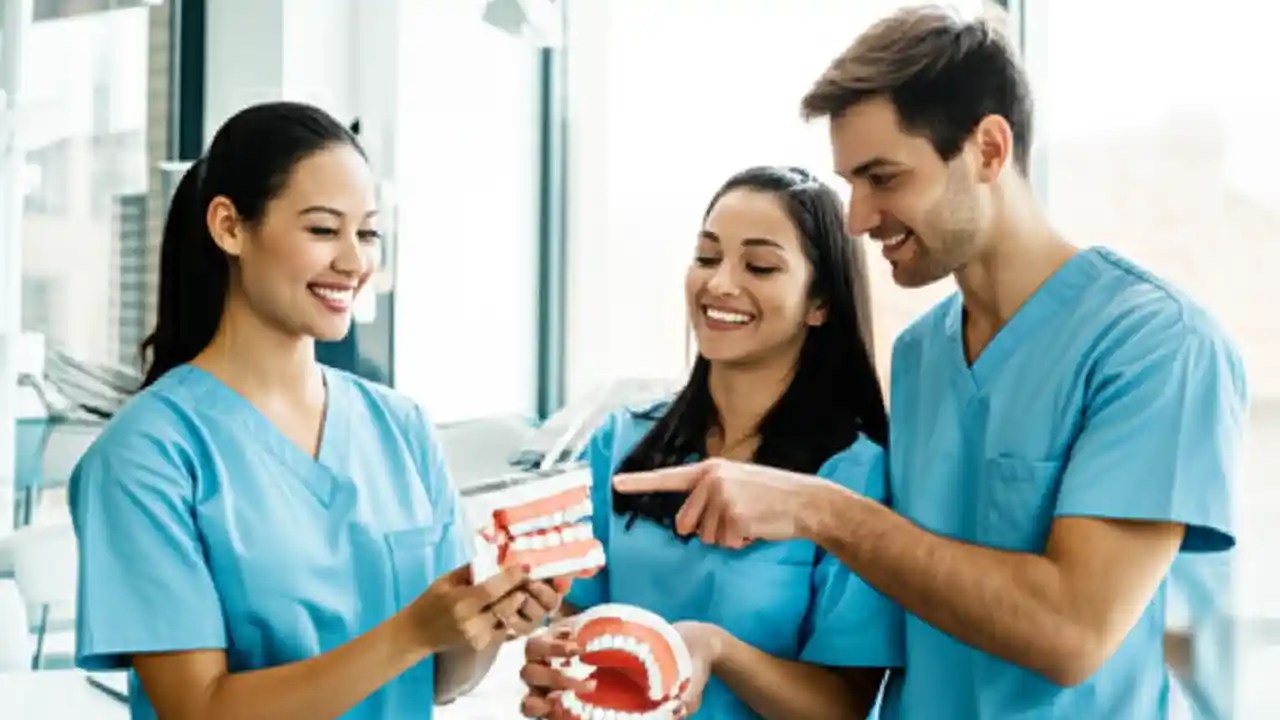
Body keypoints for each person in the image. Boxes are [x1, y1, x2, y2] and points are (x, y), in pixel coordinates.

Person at [613, 6, 1248, 719]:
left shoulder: (1157, 346)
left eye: (883, 178)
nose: (856, 218)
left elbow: (1072, 634)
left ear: (988, 150)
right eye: (851, 182)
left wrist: (818, 509)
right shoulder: (920, 354)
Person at [68, 101, 565, 720]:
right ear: (229, 227)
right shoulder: (147, 454)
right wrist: (409, 633)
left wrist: (493, 620)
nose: (354, 262)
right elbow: (196, 709)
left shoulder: (402, 427)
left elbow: (440, 680)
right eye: (324, 230)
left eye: (368, 233)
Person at [518, 166, 902, 719]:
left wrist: (716, 650)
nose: (720, 283)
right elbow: (574, 622)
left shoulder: (854, 476)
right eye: (706, 256)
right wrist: (556, 663)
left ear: (819, 302)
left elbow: (844, 707)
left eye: (760, 266)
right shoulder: (620, 442)